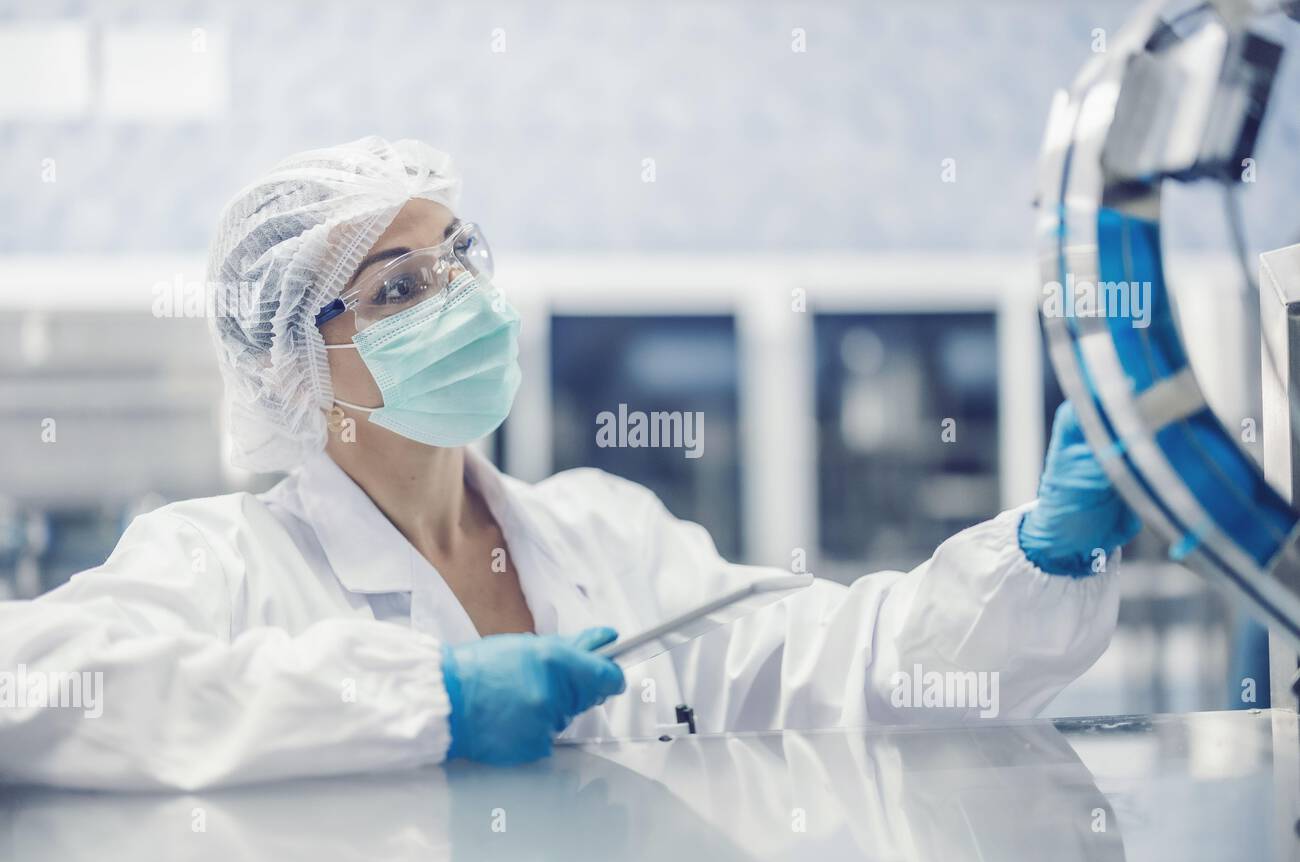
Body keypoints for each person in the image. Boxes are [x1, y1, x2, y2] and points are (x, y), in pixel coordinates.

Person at [0, 137, 1141, 791]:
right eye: (398, 288)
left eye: (458, 258)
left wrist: (1042, 552)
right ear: (298, 367)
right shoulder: (226, 561)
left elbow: (847, 663)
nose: (457, 299)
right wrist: (423, 701)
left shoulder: (606, 533)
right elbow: (34, 686)